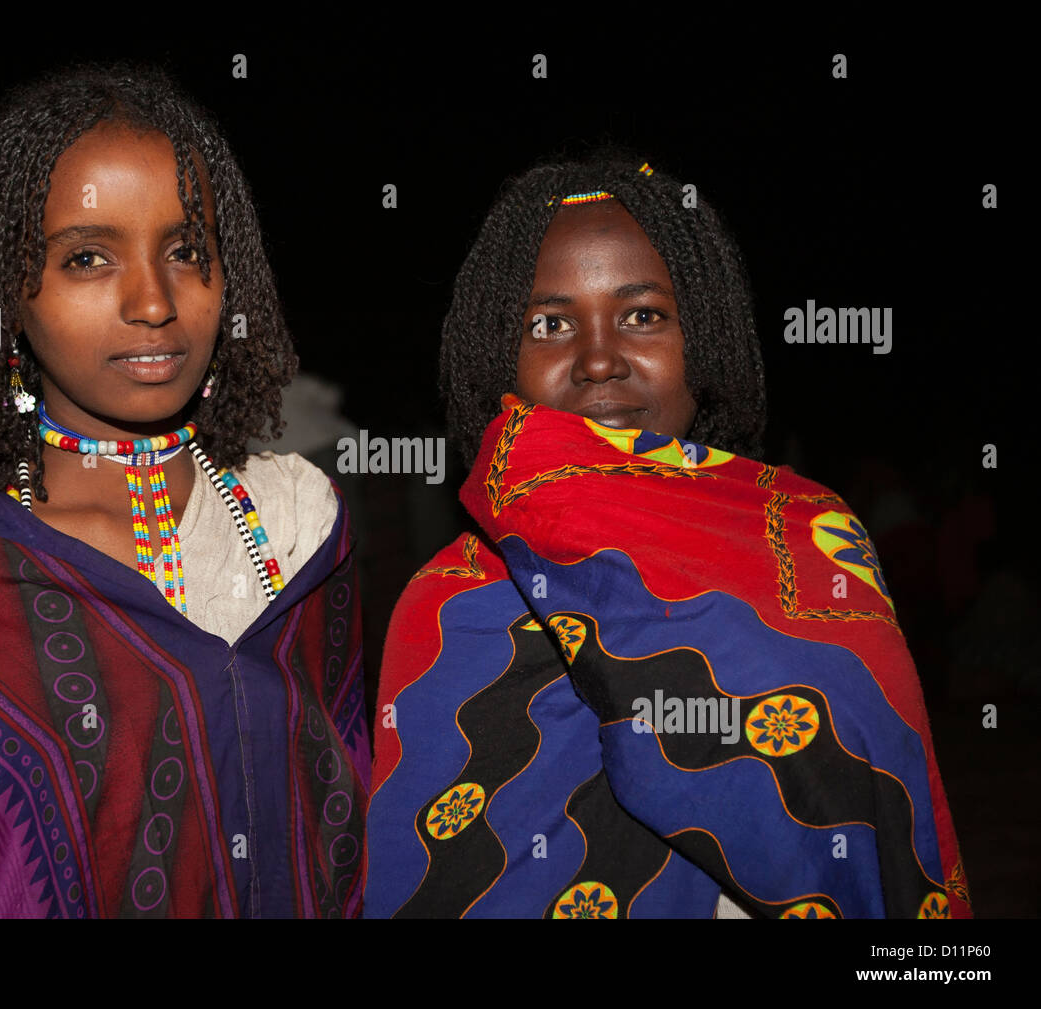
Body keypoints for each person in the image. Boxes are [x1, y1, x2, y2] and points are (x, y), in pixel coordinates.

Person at [0, 63, 368, 918]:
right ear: (8, 292)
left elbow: (348, 829)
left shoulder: (298, 520)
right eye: (88, 257)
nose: (153, 302)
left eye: (186, 251)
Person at [366, 150, 969, 919]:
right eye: (550, 323)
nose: (597, 359)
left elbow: (881, 809)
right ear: (500, 358)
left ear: (703, 338)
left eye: (642, 314)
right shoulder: (449, 605)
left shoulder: (810, 533)